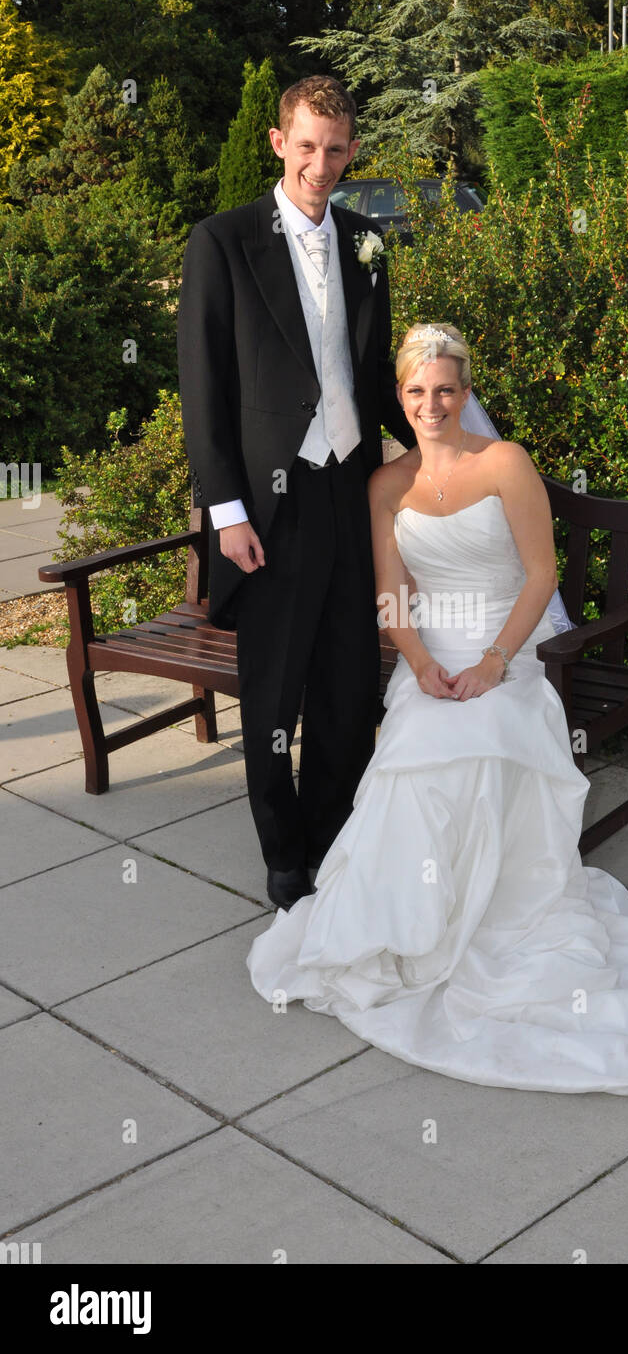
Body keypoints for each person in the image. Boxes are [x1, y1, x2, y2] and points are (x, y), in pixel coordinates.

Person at [246, 322, 628, 1095]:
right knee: (412, 756)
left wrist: (491, 663)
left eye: (446, 389)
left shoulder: (506, 464)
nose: (432, 403)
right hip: (431, 660)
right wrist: (418, 663)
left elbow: (540, 578)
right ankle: (409, 933)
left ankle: (488, 920)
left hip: (505, 654)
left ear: (465, 392)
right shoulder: (385, 486)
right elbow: (392, 595)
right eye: (416, 391)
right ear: (400, 399)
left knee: (481, 740)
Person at [177, 76, 415, 914]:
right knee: (274, 692)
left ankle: (331, 835)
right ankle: (283, 856)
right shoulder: (222, 241)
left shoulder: (366, 240)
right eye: (307, 145)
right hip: (269, 512)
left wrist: (443, 450)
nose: (321, 163)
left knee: (349, 687)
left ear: (353, 151)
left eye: (337, 148)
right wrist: (228, 513)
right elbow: (202, 391)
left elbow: (376, 377)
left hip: (351, 492)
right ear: (279, 142)